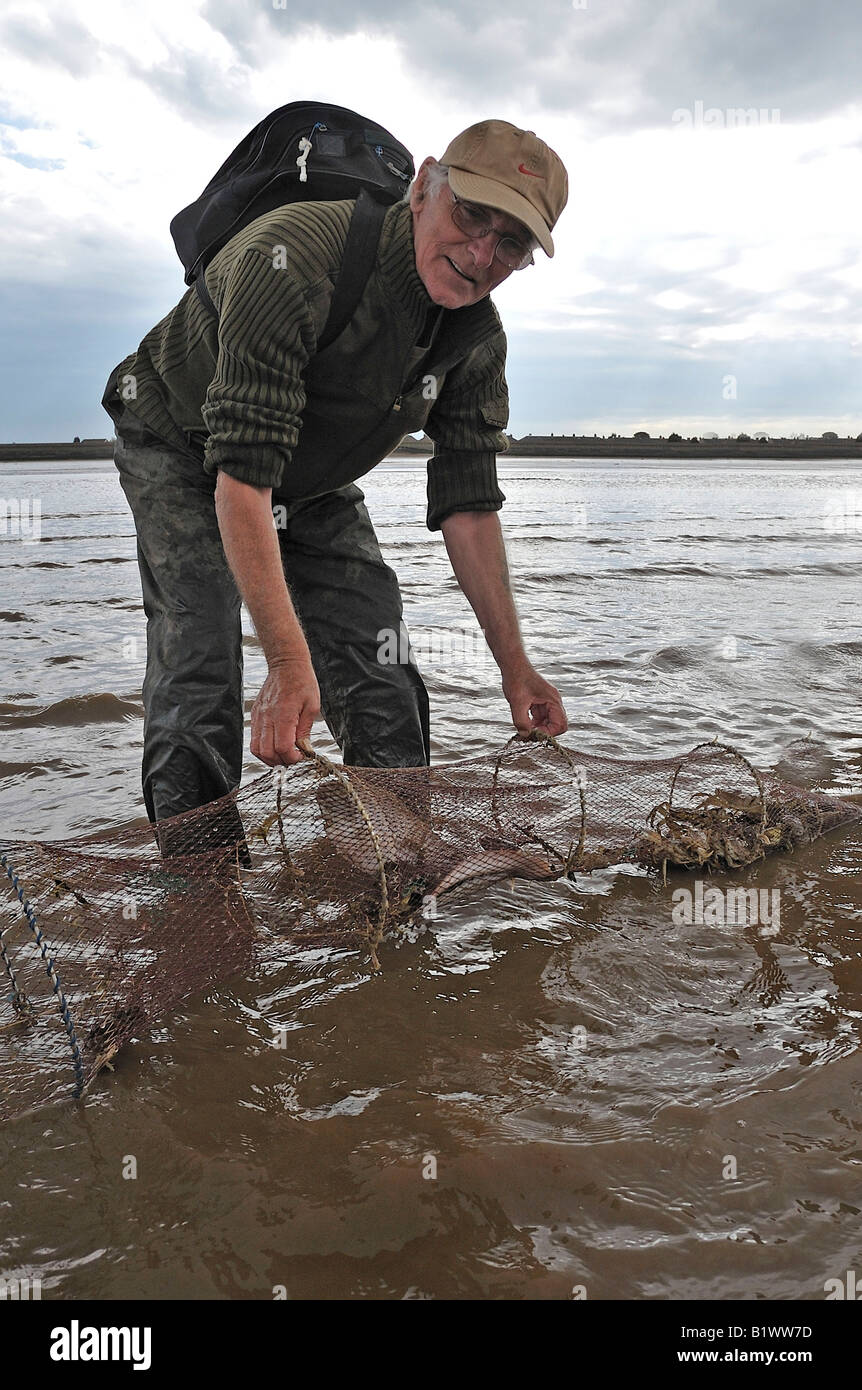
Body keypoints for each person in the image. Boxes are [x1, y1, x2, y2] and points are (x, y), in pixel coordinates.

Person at [102, 118, 570, 843]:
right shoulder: (288, 260)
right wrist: (289, 662)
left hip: (307, 475)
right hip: (181, 443)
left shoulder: (477, 341)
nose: (481, 254)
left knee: (379, 660)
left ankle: (389, 873)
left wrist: (517, 669)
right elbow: (242, 482)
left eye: (510, 242)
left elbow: (469, 509)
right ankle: (199, 892)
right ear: (422, 187)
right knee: (200, 656)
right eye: (470, 214)